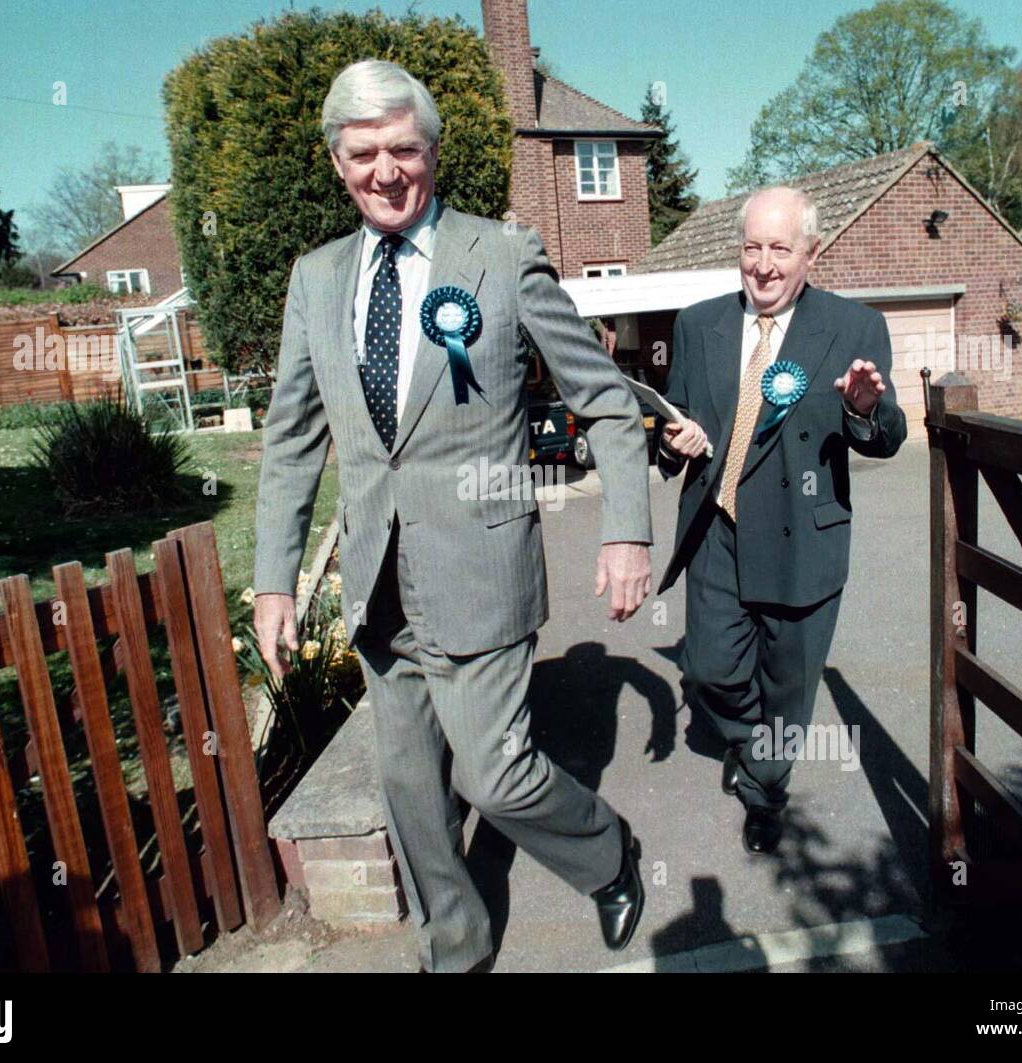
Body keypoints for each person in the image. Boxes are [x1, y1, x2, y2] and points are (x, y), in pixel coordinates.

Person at [252, 59, 652, 972]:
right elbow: (289, 442)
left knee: (494, 775)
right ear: (337, 162)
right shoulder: (314, 282)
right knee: (413, 794)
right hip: (381, 590)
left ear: (431, 150)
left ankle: (608, 852)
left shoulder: (502, 257)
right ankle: (455, 948)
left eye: (403, 148)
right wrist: (275, 580)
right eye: (364, 153)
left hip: (483, 572)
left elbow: (605, 400)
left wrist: (625, 528)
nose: (385, 171)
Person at [657, 186, 906, 854]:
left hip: (803, 541)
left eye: (780, 249)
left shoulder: (855, 327)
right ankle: (748, 739)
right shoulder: (696, 323)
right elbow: (672, 418)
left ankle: (765, 786)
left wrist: (861, 410)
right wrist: (668, 440)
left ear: (811, 253)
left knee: (790, 686)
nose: (763, 265)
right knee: (710, 669)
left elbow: (886, 436)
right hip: (718, 528)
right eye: (751, 247)